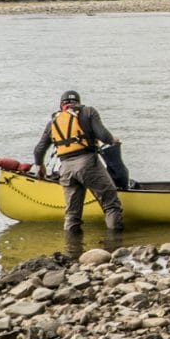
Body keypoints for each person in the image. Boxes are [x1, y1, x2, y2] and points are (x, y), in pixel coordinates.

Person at [33, 90, 124, 232]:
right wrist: (113, 140)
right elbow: (103, 136)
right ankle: (115, 244)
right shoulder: (88, 112)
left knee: (72, 214)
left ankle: (71, 249)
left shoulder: (53, 122)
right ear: (78, 102)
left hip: (66, 170)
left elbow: (39, 150)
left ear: (62, 104)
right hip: (88, 164)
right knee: (110, 204)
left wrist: (40, 166)